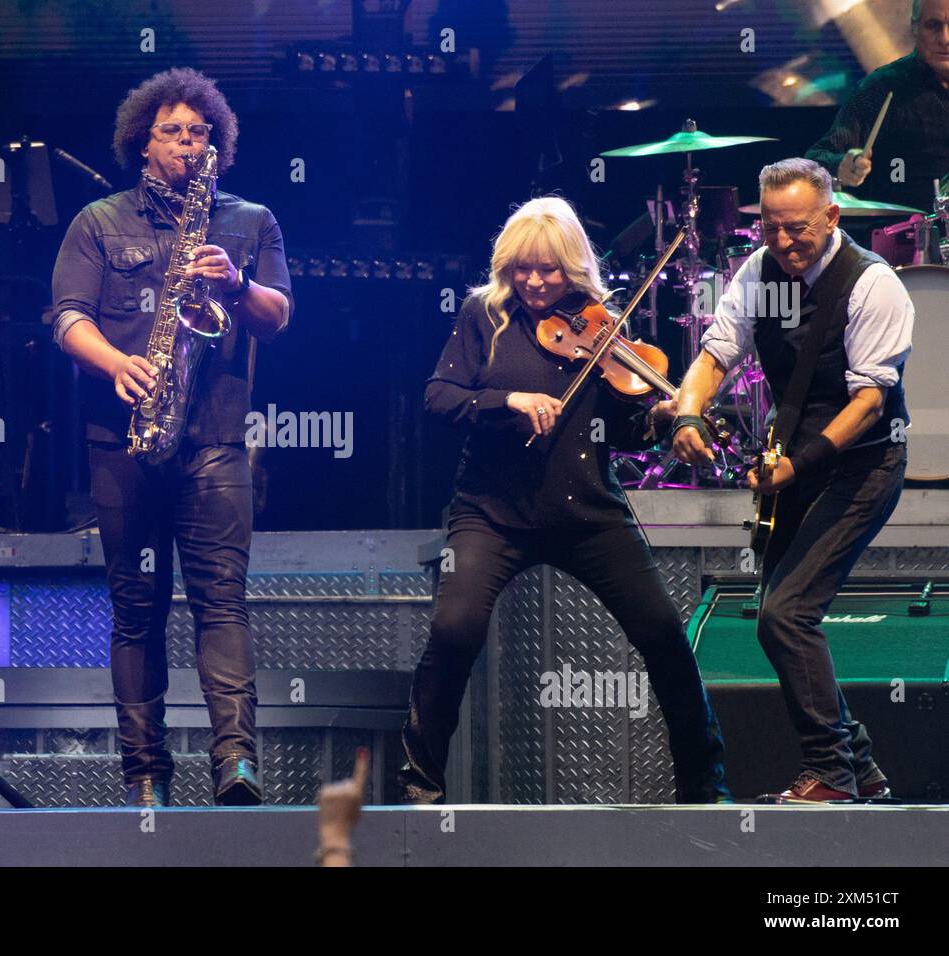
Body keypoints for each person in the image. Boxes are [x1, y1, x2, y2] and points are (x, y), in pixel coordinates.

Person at [399, 196, 731, 806]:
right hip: (491, 511)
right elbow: (439, 397)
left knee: (663, 633)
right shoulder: (483, 314)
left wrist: (664, 419)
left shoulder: (602, 326)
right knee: (454, 630)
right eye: (522, 268)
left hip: (587, 510)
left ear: (573, 266)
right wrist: (507, 401)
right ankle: (420, 786)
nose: (533, 282)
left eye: (548, 270)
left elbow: (627, 433)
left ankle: (704, 786)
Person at [51, 68, 292, 807]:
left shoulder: (250, 221)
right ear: (143, 141)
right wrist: (116, 363)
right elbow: (66, 318)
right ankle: (146, 775)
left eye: (199, 133)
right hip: (122, 438)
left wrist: (237, 284)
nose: (188, 144)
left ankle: (236, 763)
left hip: (215, 438)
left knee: (223, 601)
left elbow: (279, 316)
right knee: (136, 609)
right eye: (173, 132)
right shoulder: (98, 221)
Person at [674, 158, 914, 803]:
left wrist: (797, 463)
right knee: (774, 619)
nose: (782, 242)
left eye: (797, 228)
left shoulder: (873, 283)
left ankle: (832, 774)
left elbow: (869, 403)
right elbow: (715, 354)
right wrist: (689, 414)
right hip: (795, 467)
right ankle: (859, 766)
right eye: (770, 228)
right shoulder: (758, 274)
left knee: (787, 614)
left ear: (831, 216)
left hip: (863, 466)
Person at [805, 0, 949, 213]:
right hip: (906, 228)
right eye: (933, 25)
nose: (945, 38)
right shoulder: (882, 86)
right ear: (914, 27)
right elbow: (815, 158)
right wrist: (841, 166)